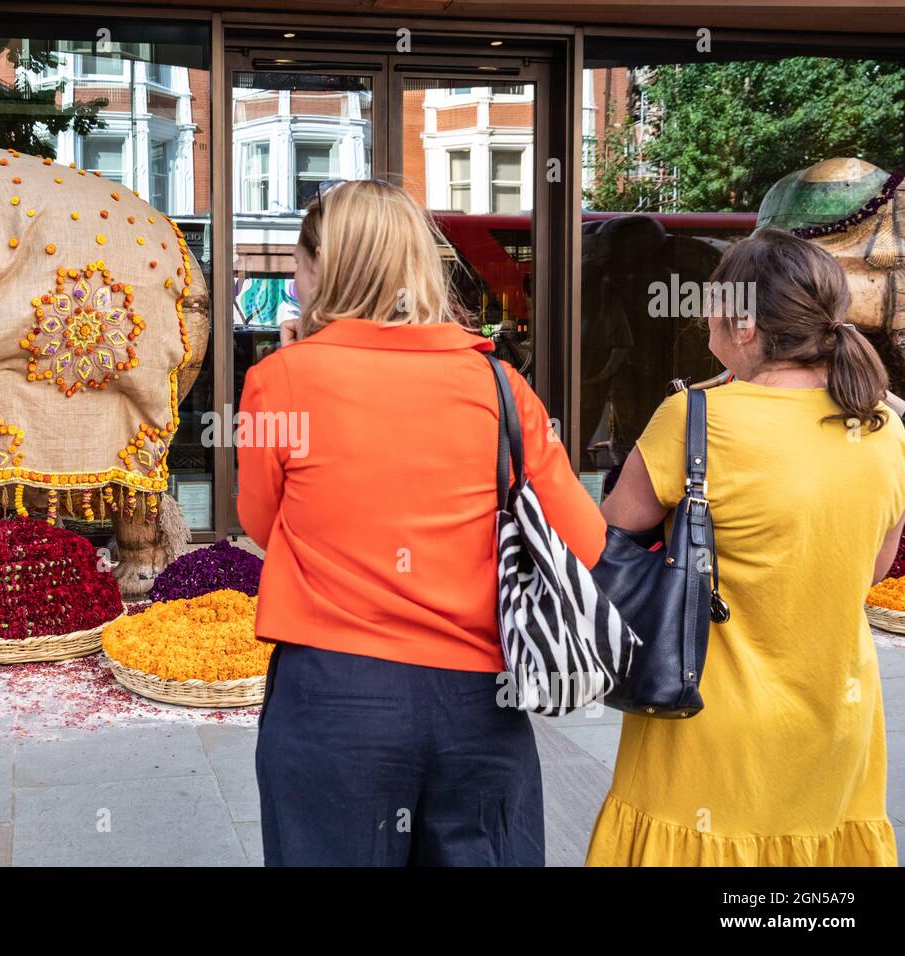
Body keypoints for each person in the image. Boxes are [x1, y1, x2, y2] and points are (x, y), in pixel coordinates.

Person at [237, 179, 606, 866]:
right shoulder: (500, 385)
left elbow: (261, 522)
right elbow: (583, 540)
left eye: (298, 263)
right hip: (479, 702)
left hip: (332, 695)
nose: (294, 278)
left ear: (325, 267)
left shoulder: (281, 380)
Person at [587, 228, 904, 866]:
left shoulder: (696, 419)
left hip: (703, 718)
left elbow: (607, 540)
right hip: (834, 715)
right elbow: (870, 568)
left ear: (745, 327)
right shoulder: (883, 426)